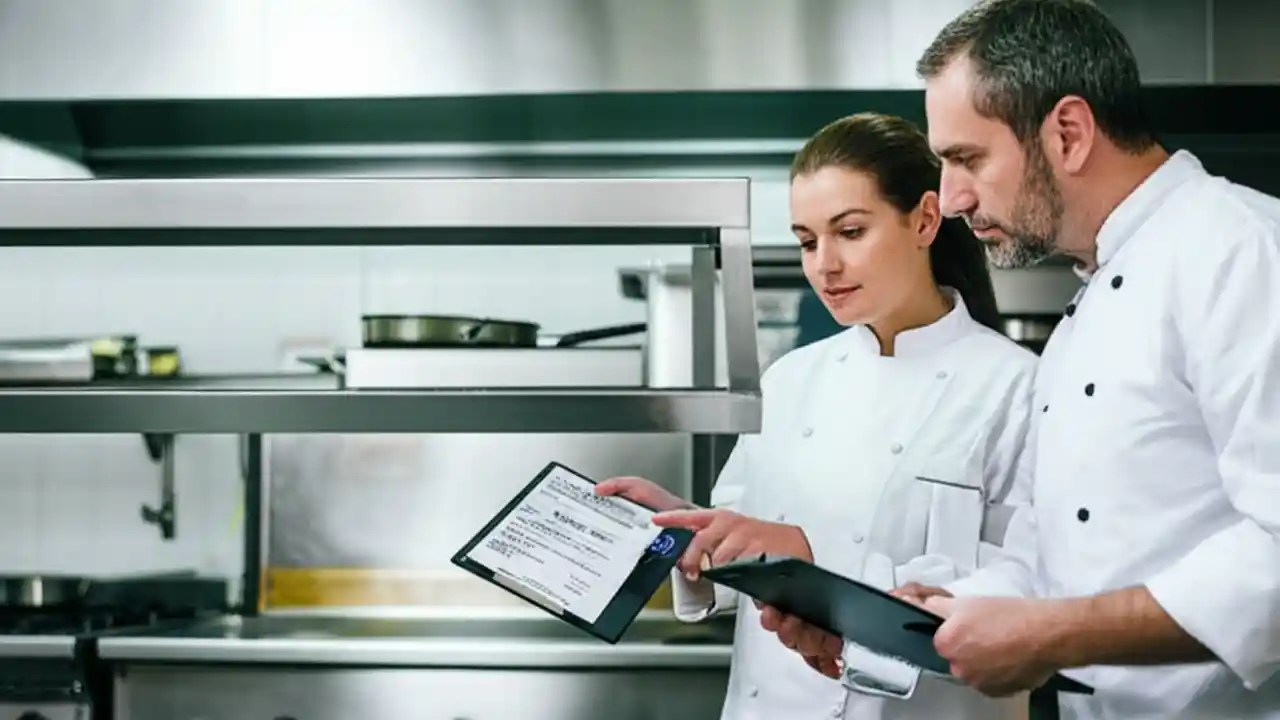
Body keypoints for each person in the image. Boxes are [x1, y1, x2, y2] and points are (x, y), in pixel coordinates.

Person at [765, 1, 1280, 718]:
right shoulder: (1085, 315)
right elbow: (1055, 557)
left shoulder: (1242, 252)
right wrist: (922, 616)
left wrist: (1052, 635)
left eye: (967, 158)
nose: (951, 197)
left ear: (1067, 133)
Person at [596, 112, 1037, 719]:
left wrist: (814, 554)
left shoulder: (1015, 386)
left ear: (926, 219)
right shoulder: (790, 379)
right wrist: (687, 530)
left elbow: (1030, 596)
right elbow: (745, 554)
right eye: (807, 241)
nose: (824, 264)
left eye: (850, 231)